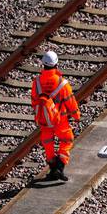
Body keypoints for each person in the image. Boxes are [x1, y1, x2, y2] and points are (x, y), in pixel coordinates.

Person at [31, 50, 80, 182]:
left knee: (48, 143)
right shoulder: (62, 83)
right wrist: (76, 115)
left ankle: (53, 167)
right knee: (67, 140)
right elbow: (71, 101)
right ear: (56, 64)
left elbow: (34, 101)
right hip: (60, 120)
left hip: (45, 121)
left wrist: (41, 115)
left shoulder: (36, 82)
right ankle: (60, 165)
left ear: (43, 65)